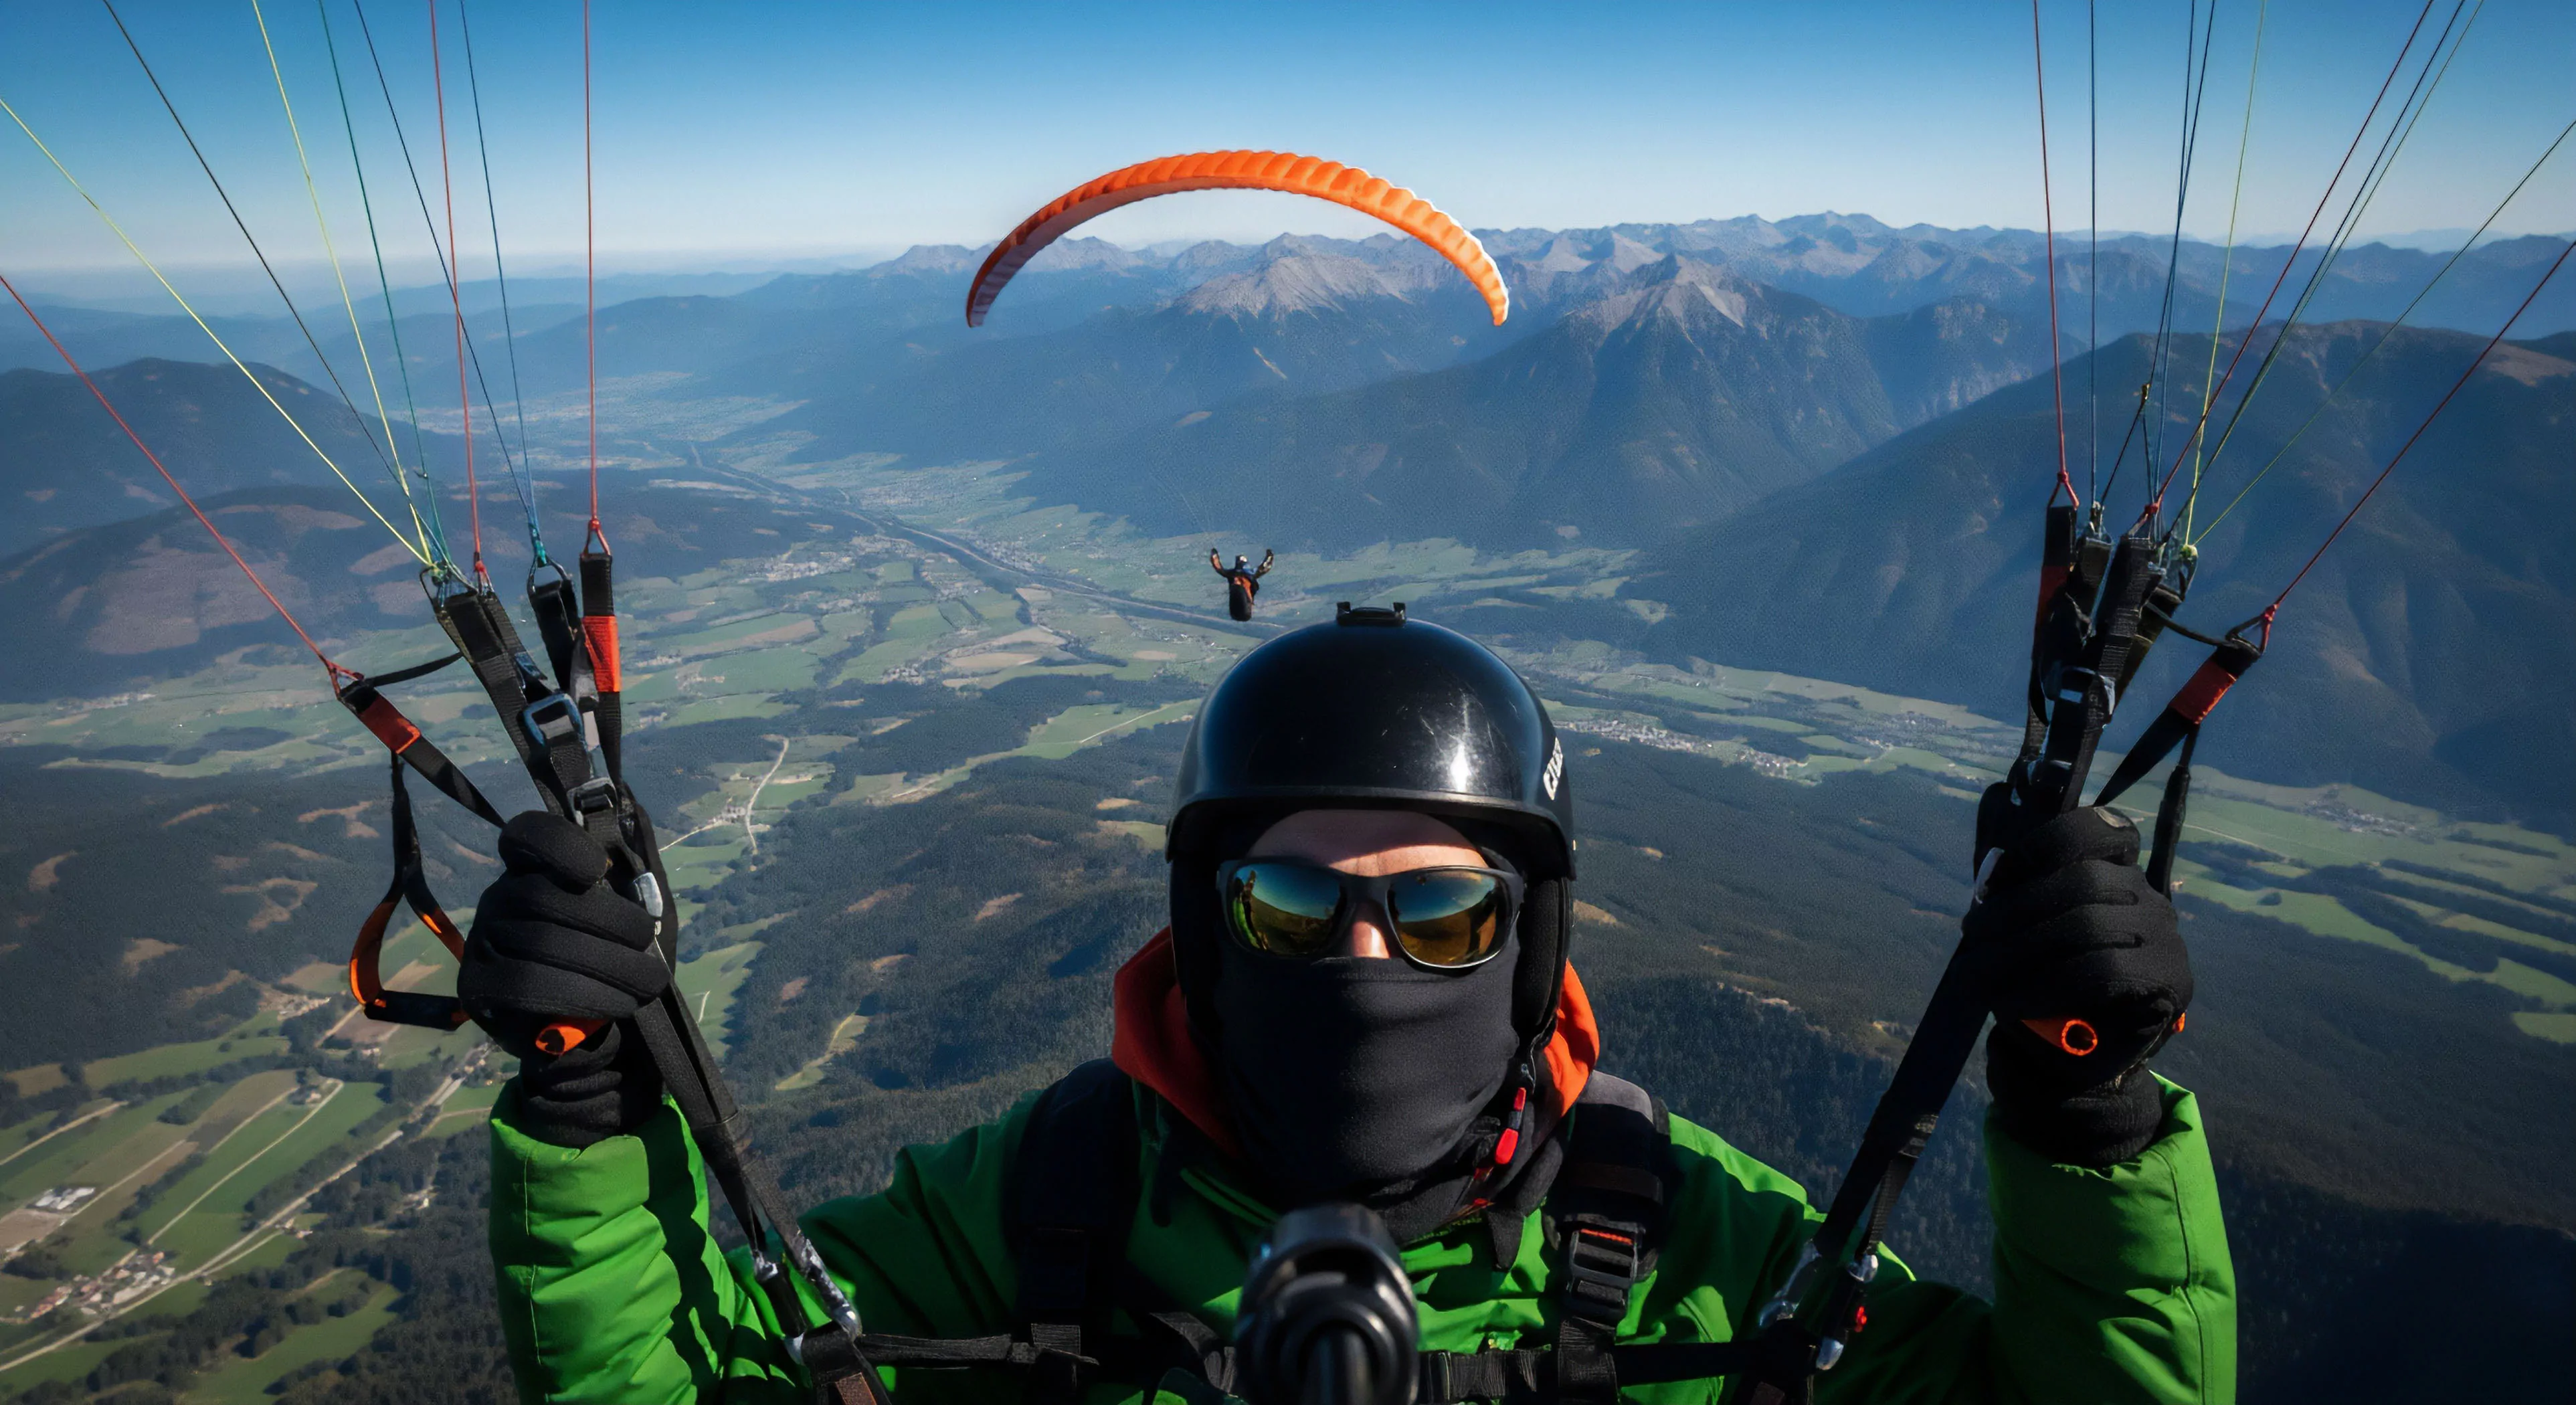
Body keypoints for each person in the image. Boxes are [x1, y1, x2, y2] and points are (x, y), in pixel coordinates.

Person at [462, 607, 2233, 1404]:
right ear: (1204, 923)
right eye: (1293, 904)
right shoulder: (1046, 1201)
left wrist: (2087, 1108)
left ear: (1534, 942)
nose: (1368, 965)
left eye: (1446, 911)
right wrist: (584, 1104)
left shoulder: (1681, 1231)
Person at [1210, 548, 1273, 622]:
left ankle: (1243, 600)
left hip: (1241, 601)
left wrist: (1214, 555)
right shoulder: (1252, 574)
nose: (1236, 580)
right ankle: (1245, 601)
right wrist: (1270, 555)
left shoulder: (1232, 575)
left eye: (1236, 581)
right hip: (1245, 598)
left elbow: (1218, 567)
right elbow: (1266, 566)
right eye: (1239, 581)